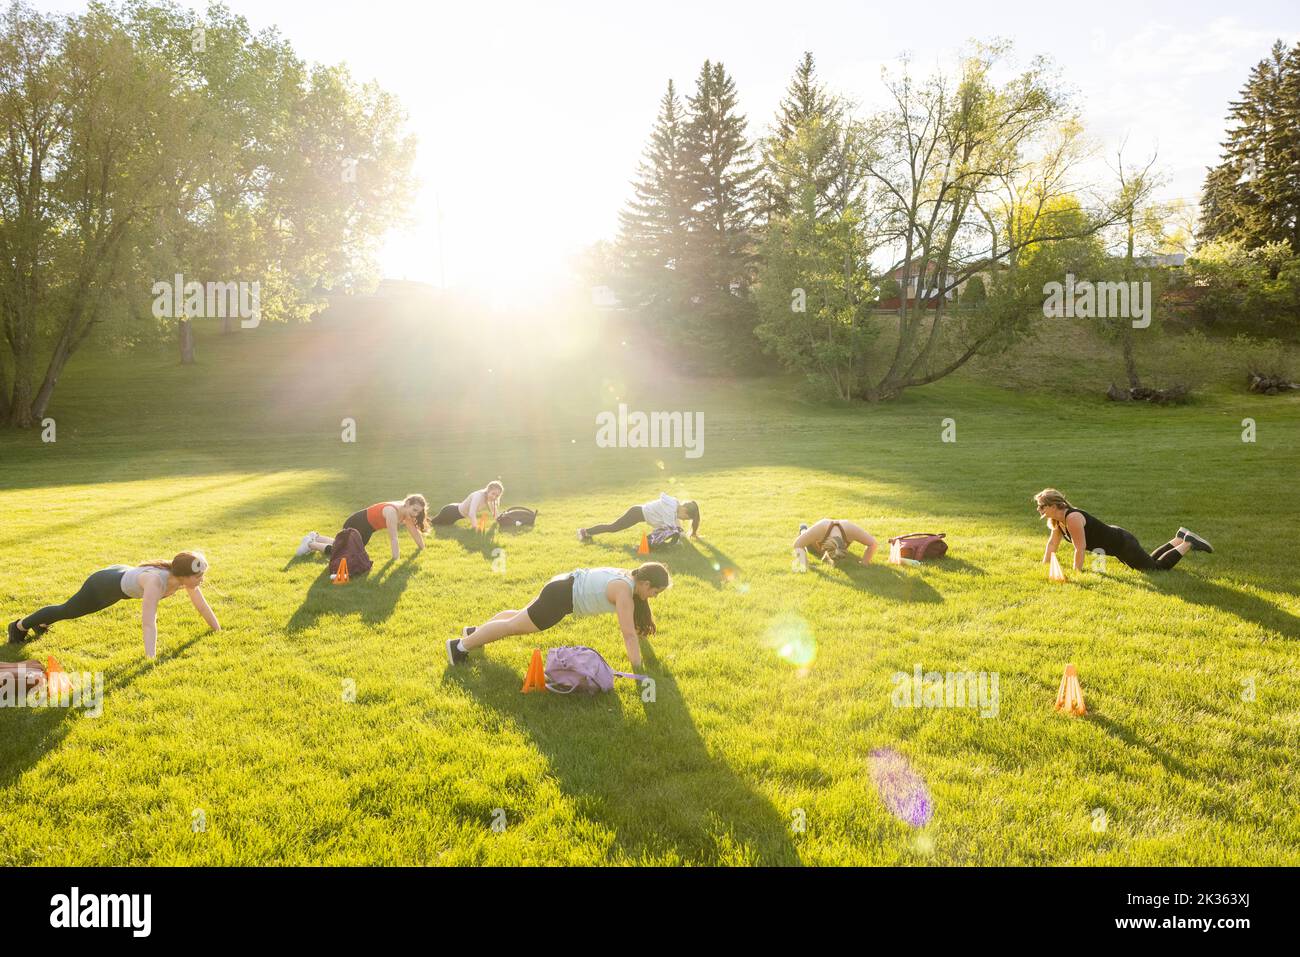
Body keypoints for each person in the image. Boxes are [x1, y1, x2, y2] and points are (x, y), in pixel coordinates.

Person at [446, 562, 671, 671]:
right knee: (513, 626)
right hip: (561, 598)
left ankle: (474, 633)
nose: (655, 596)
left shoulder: (628, 575)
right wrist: (638, 668)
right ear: (646, 583)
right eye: (655, 592)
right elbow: (629, 635)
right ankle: (459, 647)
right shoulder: (624, 592)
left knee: (516, 616)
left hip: (562, 583)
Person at [8, 552, 219, 658]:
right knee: (69, 610)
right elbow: (148, 622)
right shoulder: (156, 582)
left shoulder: (183, 581)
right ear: (185, 575)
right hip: (104, 584)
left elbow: (202, 607)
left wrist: (217, 631)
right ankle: (19, 626)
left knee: (68, 611)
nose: (202, 579)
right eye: (199, 576)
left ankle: (41, 624)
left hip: (121, 579)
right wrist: (150, 657)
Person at [1032, 488, 1213, 572]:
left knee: (1155, 569)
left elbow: (1079, 548)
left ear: (1055, 505)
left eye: (1042, 507)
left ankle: (1189, 542)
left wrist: (1076, 573)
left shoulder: (1072, 518)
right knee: (1148, 563)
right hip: (1118, 544)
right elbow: (1052, 545)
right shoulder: (1057, 521)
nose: (1040, 510)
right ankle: (1179, 538)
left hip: (1122, 544)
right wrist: (1044, 566)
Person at [297, 494, 430, 562]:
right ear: (407, 503)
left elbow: (415, 532)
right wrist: (395, 560)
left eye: (418, 512)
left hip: (367, 530)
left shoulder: (407, 513)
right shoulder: (392, 512)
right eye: (414, 510)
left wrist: (423, 549)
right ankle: (310, 544)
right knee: (345, 553)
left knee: (349, 549)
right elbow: (394, 538)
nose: (415, 514)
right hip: (356, 523)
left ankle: (316, 537)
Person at [577, 493, 700, 542]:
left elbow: (676, 525)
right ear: (684, 509)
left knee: (613, 527)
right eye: (685, 518)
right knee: (613, 528)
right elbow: (672, 528)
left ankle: (587, 532)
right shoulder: (671, 507)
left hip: (639, 514)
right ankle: (585, 532)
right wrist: (679, 537)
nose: (683, 520)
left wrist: (686, 534)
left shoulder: (674, 507)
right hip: (636, 513)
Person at [792, 519, 879, 566]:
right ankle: (803, 529)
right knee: (807, 541)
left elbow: (873, 544)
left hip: (835, 538)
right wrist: (805, 565)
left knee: (837, 560)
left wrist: (864, 563)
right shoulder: (819, 529)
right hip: (814, 541)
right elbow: (797, 545)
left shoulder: (850, 529)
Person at [430, 481, 503, 528]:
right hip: (450, 512)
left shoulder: (490, 499)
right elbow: (472, 513)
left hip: (457, 516)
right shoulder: (478, 495)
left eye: (497, 495)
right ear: (488, 490)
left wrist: (500, 522)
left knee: (447, 525)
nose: (494, 497)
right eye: (493, 493)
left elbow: (494, 512)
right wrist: (475, 528)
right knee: (432, 523)